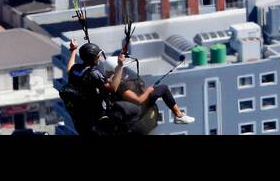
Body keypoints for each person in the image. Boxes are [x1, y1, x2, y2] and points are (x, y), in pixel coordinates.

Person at [66, 39, 194, 125]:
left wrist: (73, 51)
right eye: (97, 56)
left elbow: (69, 68)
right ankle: (178, 115)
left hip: (84, 109)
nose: (99, 58)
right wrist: (120, 66)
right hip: (105, 111)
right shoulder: (94, 74)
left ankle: (178, 114)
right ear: (93, 58)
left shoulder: (77, 69)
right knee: (162, 88)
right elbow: (113, 89)